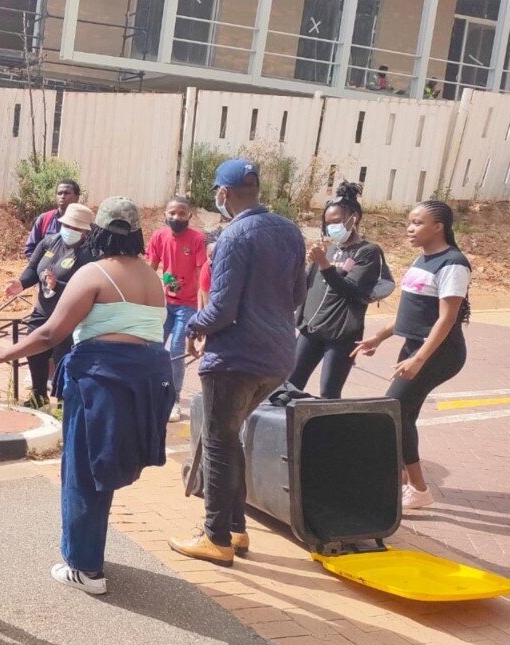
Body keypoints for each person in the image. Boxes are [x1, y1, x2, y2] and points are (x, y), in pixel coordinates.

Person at [0, 197, 172, 594]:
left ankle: (84, 568)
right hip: (148, 380)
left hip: (102, 380)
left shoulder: (93, 274)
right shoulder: (152, 277)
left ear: (98, 232)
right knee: (104, 468)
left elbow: (52, 333)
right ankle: (91, 550)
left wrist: (7, 353)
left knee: (83, 471)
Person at [168, 158, 305, 567]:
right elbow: (297, 296)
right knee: (231, 438)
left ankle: (216, 537)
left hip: (235, 358)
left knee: (217, 442)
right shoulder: (290, 231)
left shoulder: (234, 236)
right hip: (278, 357)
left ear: (223, 195)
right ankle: (237, 528)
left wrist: (193, 325)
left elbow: (222, 309)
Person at [353, 201, 470, 511]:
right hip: (416, 348)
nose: (410, 228)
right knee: (404, 415)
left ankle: (418, 489)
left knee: (394, 411)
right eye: (409, 222)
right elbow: (411, 312)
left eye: (418, 223)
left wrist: (419, 359)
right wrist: (379, 336)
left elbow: (446, 320)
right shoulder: (423, 259)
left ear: (438, 227)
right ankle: (403, 482)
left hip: (439, 353)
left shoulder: (453, 264)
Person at [288, 182, 386, 399]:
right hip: (311, 330)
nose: (332, 227)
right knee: (289, 385)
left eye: (337, 222)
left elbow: (352, 291)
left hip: (341, 336)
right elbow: (307, 285)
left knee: (329, 393)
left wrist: (324, 265)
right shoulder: (328, 249)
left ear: (354, 218)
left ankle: (328, 432)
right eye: (328, 223)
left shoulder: (367, 252)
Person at [4, 202, 96, 408]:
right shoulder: (49, 243)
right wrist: (20, 283)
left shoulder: (90, 254)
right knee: (34, 349)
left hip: (71, 315)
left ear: (85, 231)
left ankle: (65, 401)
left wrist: (59, 285)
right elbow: (32, 269)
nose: (69, 231)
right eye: (67, 226)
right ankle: (39, 396)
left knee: (64, 357)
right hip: (43, 310)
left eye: (75, 228)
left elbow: (89, 287)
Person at [147, 195, 208, 422]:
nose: (176, 217)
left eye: (182, 213)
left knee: (175, 350)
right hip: (164, 303)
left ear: (189, 216)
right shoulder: (158, 237)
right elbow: (150, 269)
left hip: (188, 305)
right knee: (153, 348)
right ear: (165, 214)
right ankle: (153, 393)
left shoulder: (198, 240)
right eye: (172, 213)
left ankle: (173, 400)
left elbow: (204, 277)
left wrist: (203, 312)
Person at [23, 180, 81, 258]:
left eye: (67, 193)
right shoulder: (44, 218)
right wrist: (39, 266)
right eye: (59, 193)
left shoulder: (84, 223)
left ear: (77, 198)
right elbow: (30, 248)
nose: (62, 196)